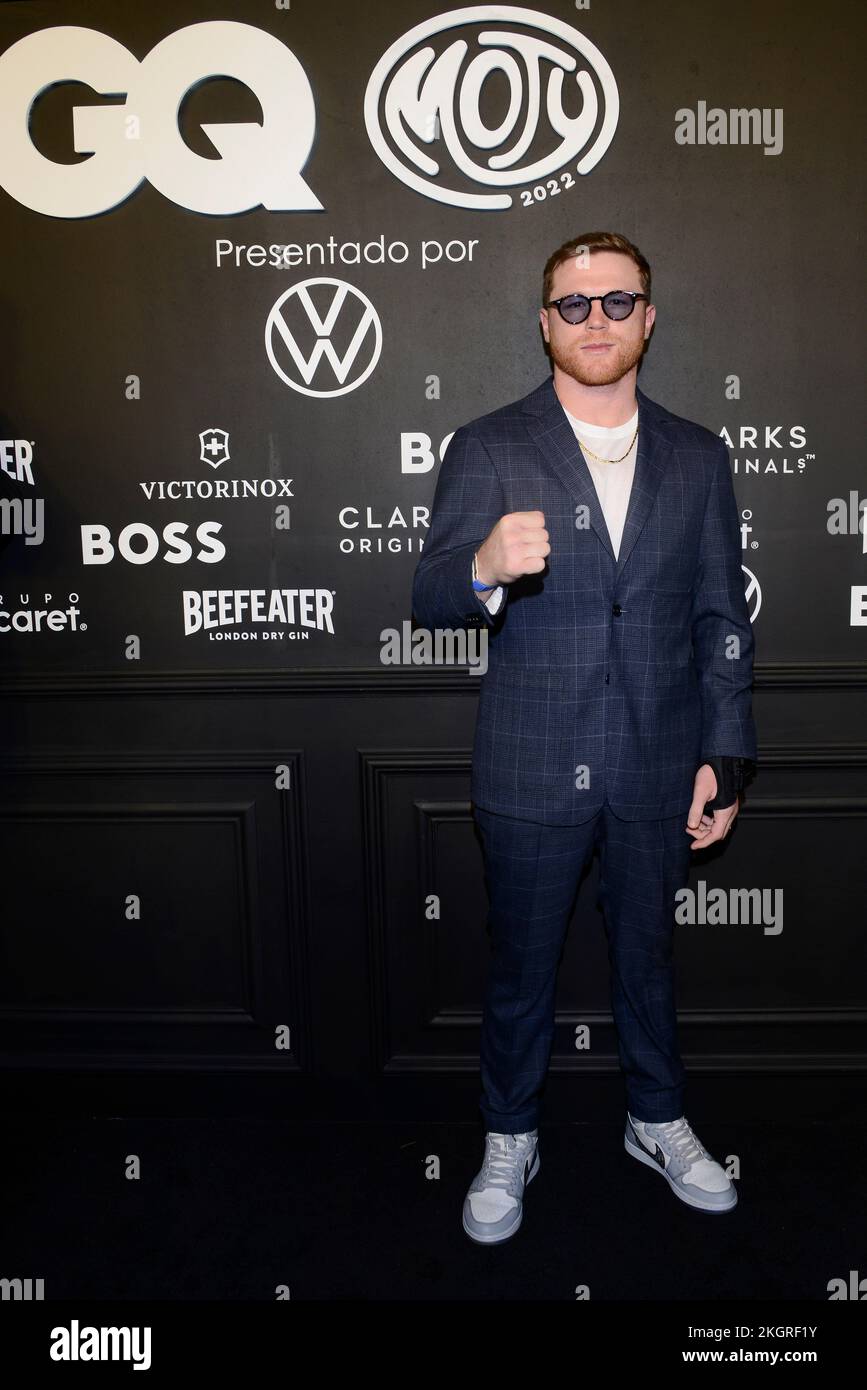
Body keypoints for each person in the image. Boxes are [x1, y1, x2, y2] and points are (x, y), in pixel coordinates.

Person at [411, 230, 757, 1244]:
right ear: (544, 322)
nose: (596, 319)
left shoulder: (699, 454)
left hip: (659, 757)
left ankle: (656, 1118)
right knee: (521, 967)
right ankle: (509, 1134)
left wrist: (724, 753)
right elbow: (429, 594)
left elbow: (719, 619)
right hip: (529, 761)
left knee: (647, 957)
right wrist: (481, 561)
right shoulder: (488, 444)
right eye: (574, 303)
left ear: (649, 316)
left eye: (617, 301)